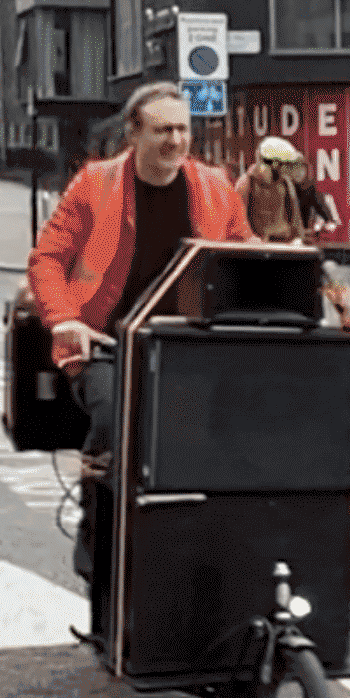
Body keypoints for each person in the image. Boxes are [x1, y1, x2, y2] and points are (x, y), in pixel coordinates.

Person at [27, 82, 256, 471]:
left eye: (183, 129)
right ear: (133, 133)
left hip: (186, 345)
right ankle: (98, 515)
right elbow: (47, 258)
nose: (176, 140)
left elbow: (244, 254)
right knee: (112, 423)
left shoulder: (216, 187)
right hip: (102, 343)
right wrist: (65, 320)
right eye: (163, 130)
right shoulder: (95, 184)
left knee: (218, 439)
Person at [241, 137, 324, 249]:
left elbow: (295, 219)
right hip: (258, 248)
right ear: (274, 164)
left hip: (284, 245)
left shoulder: (284, 183)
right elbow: (239, 223)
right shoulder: (247, 183)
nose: (286, 168)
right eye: (284, 164)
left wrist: (298, 239)